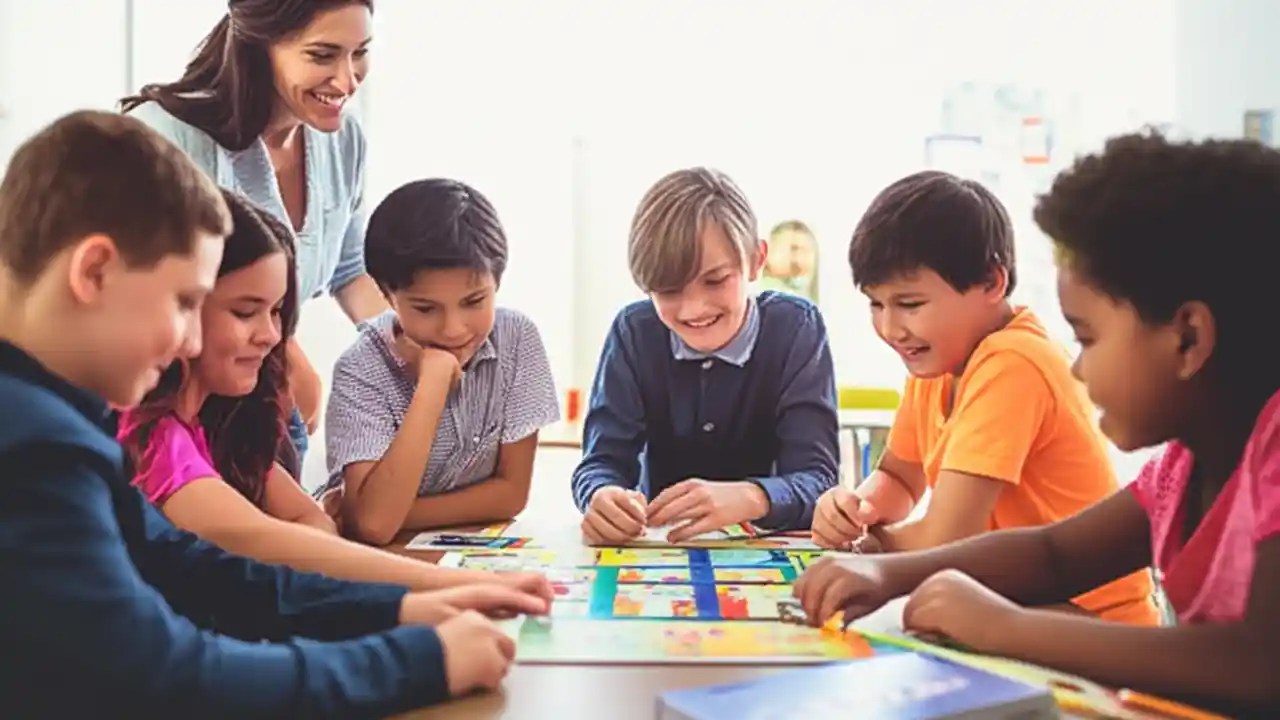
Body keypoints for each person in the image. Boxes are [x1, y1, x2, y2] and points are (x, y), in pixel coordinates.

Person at [0, 110, 543, 717]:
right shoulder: (32, 444)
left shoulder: (57, 420)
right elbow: (166, 676)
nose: (188, 342)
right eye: (184, 303)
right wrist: (424, 659)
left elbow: (194, 569)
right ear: (94, 271)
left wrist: (401, 608)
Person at [794, 132, 1280, 716]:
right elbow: (1054, 554)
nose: (1074, 364)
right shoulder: (1181, 469)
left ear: (1188, 338)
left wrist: (1005, 626)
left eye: (1087, 337)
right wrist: (884, 572)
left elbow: (1258, 662)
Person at [118, 187, 555, 597]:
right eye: (246, 312)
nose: (272, 336)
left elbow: (310, 525)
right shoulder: (152, 437)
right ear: (182, 306)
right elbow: (274, 538)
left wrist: (322, 538)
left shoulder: (217, 426)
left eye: (276, 313)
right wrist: (459, 587)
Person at [808, 170, 1157, 625]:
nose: (891, 329)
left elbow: (947, 538)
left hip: (1092, 623)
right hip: (1016, 608)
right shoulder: (937, 359)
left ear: (993, 282)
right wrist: (855, 511)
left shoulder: (1013, 362)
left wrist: (872, 548)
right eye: (876, 304)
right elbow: (900, 478)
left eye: (910, 304)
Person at [121, 0, 388, 468]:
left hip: (263, 411)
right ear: (260, 45)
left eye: (359, 52)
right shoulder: (166, 137)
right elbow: (148, 299)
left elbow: (350, 269)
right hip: (181, 416)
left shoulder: (343, 139)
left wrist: (409, 347)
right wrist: (284, 355)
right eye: (322, 55)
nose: (347, 80)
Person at [571, 167, 839, 545]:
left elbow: (819, 479)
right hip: (659, 553)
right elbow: (600, 464)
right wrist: (600, 496)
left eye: (715, 280)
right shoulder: (634, 331)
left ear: (756, 260)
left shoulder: (796, 328)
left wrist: (751, 496)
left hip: (764, 551)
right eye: (667, 290)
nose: (693, 309)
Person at [323, 179, 560, 545]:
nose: (453, 330)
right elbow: (373, 528)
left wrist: (396, 510)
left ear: (497, 283)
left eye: (474, 301)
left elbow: (511, 495)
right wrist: (432, 386)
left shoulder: (517, 339)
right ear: (386, 294)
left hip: (464, 552)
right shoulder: (361, 369)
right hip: (382, 564)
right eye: (425, 308)